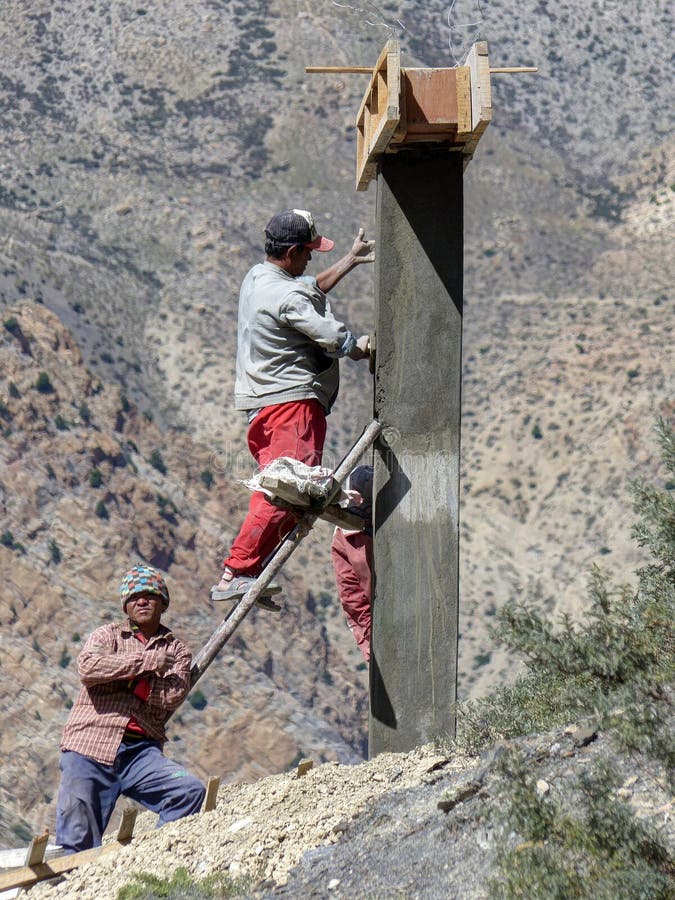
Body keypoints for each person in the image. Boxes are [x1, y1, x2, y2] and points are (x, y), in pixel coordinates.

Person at [212, 208, 374, 606]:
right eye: (308, 252)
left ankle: (246, 570)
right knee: (289, 491)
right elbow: (329, 334)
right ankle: (238, 570)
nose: (311, 258)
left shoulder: (260, 277)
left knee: (276, 488)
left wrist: (349, 260)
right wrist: (360, 348)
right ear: (291, 251)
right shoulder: (283, 295)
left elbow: (307, 288)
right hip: (291, 405)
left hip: (266, 405)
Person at [55, 564, 205, 854]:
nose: (143, 601)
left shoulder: (176, 650)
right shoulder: (107, 635)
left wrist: (119, 679)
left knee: (189, 791)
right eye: (135, 597)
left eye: (150, 595)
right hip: (89, 746)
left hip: (141, 752)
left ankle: (148, 864)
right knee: (76, 841)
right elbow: (88, 668)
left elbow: (171, 695)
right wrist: (146, 665)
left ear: (163, 603)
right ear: (126, 606)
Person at [330, 465, 373, 662]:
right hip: (377, 624)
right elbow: (351, 593)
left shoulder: (399, 525)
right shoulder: (346, 534)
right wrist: (370, 638)